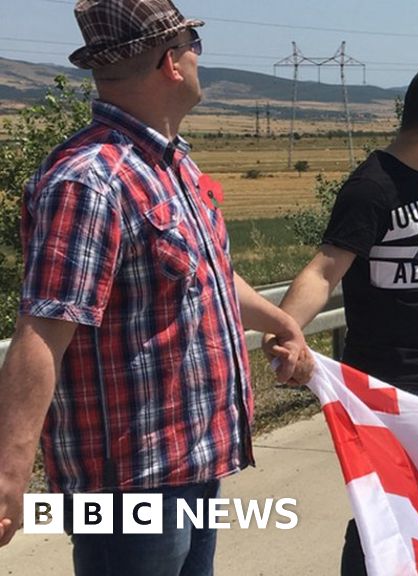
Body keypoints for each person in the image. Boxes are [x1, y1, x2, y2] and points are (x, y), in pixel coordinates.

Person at [0, 1, 310, 573]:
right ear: (171, 62)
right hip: (130, 482)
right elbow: (43, 331)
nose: (198, 59)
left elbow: (207, 273)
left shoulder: (172, 165)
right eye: (195, 45)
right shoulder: (89, 179)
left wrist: (281, 321)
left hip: (193, 459)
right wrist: (8, 474)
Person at [271, 63, 418, 575]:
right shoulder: (372, 187)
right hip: (389, 384)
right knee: (385, 510)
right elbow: (324, 271)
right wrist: (287, 334)